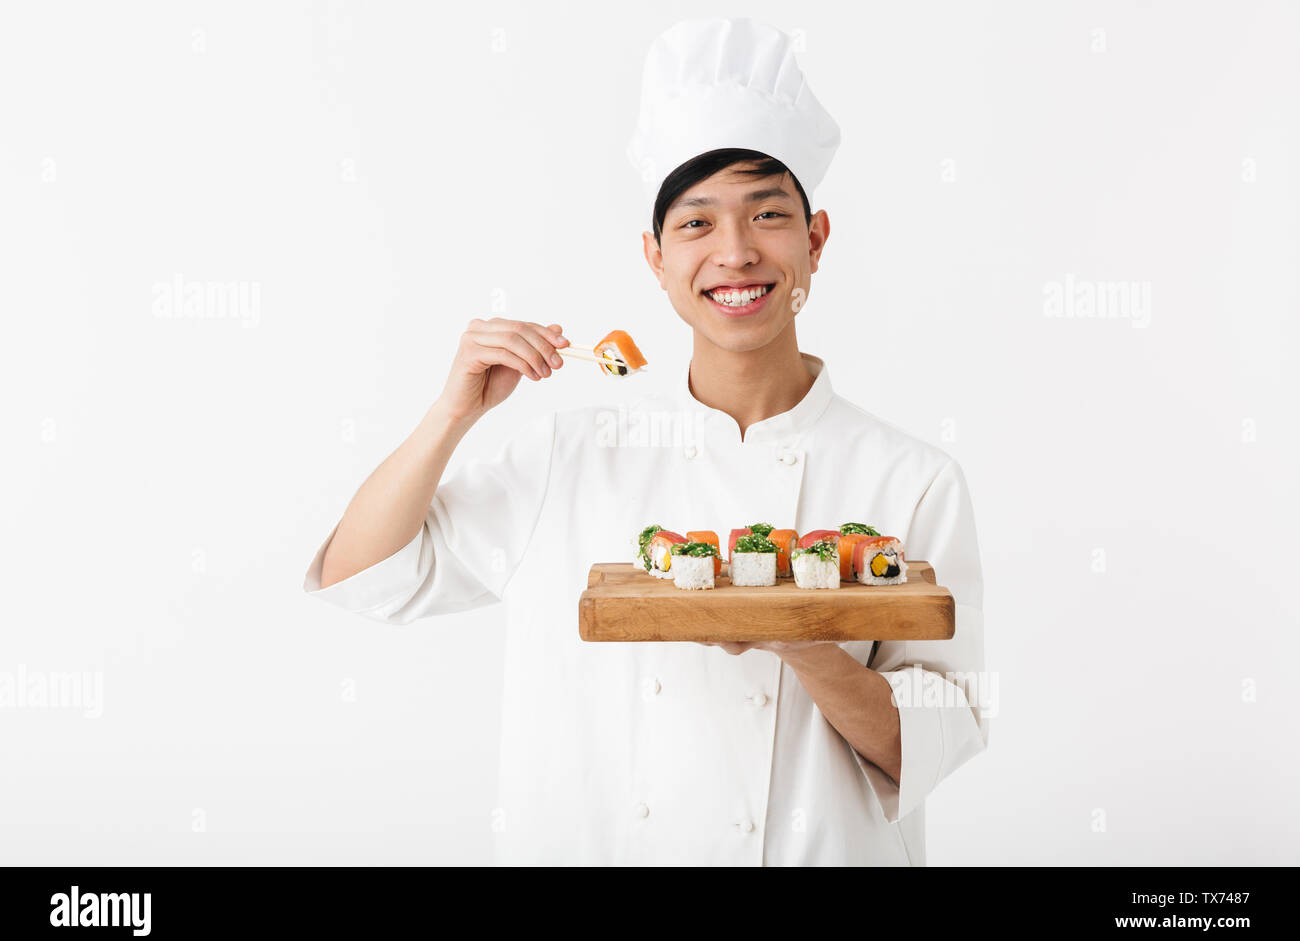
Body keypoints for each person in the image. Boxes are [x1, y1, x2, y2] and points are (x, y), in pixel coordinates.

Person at [304, 16, 988, 865]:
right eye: (696, 224)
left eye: (768, 214)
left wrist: (803, 640)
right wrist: (453, 413)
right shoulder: (568, 455)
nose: (736, 253)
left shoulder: (912, 478)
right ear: (654, 258)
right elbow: (360, 577)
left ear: (814, 241)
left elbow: (933, 739)